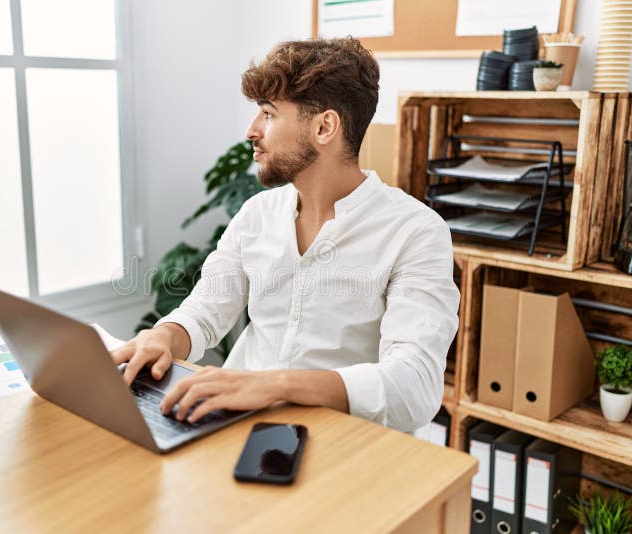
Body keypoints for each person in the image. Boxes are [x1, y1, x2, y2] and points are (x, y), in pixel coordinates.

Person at [111, 37, 459, 433]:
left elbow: (414, 387)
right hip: (240, 424)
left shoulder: (415, 232)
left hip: (345, 441)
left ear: (324, 127)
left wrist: (275, 385)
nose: (251, 130)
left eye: (269, 114)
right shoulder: (256, 215)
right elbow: (206, 309)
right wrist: (164, 335)